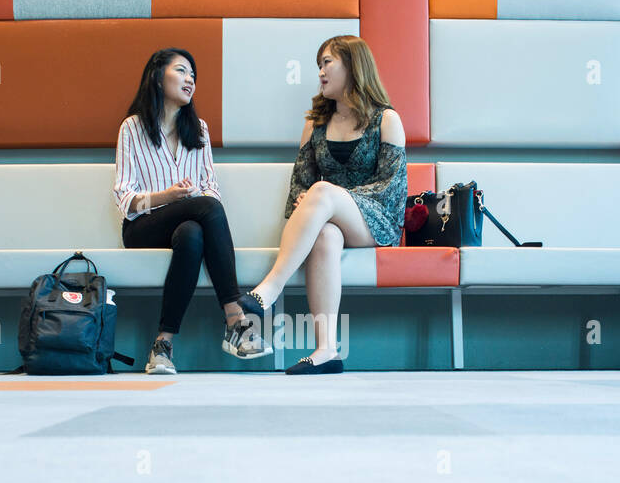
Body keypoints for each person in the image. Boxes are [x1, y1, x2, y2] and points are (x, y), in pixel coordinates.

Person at [238, 35, 407, 374]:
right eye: (319, 65)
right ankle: (327, 349)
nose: (320, 72)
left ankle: (269, 288)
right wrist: (307, 197)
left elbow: (393, 187)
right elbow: (301, 181)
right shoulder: (315, 124)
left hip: (376, 219)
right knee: (326, 234)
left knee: (324, 192)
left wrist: (330, 195)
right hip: (331, 216)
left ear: (352, 66)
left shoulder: (385, 120)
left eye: (327, 62)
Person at [113, 47, 268, 374]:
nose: (190, 80)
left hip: (188, 227)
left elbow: (211, 187)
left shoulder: (198, 130)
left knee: (192, 232)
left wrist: (191, 200)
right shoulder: (132, 128)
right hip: (144, 228)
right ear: (157, 76)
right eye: (181, 71)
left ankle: (162, 345)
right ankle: (234, 316)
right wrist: (167, 196)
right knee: (205, 210)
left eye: (193, 76)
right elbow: (126, 200)